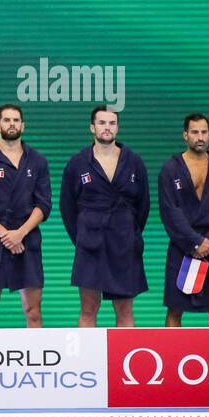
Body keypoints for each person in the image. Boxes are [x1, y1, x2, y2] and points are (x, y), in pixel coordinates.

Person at [59, 106, 150, 327]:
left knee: (125, 310)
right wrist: (83, 236)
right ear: (92, 127)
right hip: (90, 244)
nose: (107, 128)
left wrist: (129, 232)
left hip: (124, 242)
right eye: (102, 123)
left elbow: (143, 205)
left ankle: (124, 360)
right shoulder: (77, 163)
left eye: (111, 123)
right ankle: (86, 362)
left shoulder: (134, 161)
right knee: (88, 309)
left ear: (117, 128)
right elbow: (67, 207)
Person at [0, 104, 50, 328]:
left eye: (16, 120)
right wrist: (6, 235)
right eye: (7, 120)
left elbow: (43, 204)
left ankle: (37, 362)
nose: (12, 124)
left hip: (28, 241)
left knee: (33, 312)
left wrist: (20, 234)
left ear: (23, 125)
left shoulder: (38, 161)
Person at [158, 113, 209, 327]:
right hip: (183, 248)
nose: (200, 137)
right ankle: (170, 356)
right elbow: (170, 212)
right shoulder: (170, 169)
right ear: (185, 135)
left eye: (204, 132)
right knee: (175, 308)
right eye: (195, 132)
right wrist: (194, 241)